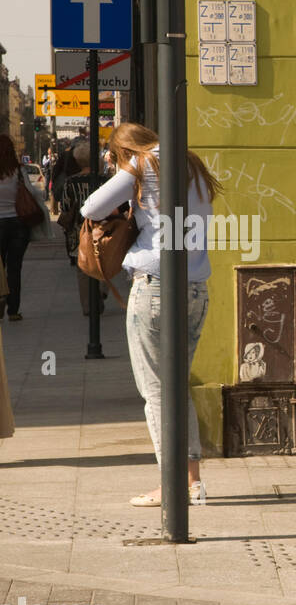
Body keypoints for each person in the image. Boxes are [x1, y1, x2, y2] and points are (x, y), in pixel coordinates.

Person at [80, 122, 221, 506]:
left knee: (156, 388)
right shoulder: (190, 162)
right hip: (196, 289)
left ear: (122, 150)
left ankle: (171, 484)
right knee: (176, 385)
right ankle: (192, 481)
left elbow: (90, 207)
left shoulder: (141, 165)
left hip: (156, 286)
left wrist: (119, 171)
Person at [0, 135, 48, 321]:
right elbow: (33, 191)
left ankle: (0, 300)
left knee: (0, 266)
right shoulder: (19, 171)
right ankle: (13, 310)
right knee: (14, 267)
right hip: (19, 225)